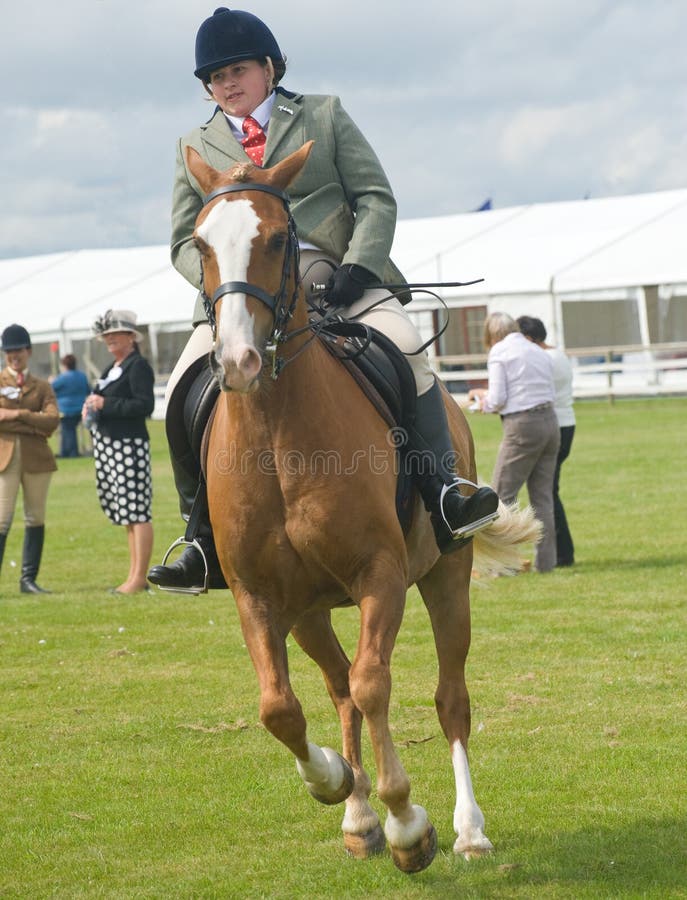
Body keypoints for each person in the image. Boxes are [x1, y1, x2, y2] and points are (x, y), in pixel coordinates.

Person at [147, 7, 498, 590]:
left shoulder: (323, 114)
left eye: (237, 70)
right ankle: (200, 536)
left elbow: (375, 197)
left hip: (339, 279)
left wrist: (359, 267)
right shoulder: (194, 146)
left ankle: (445, 493)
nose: (227, 85)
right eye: (215, 78)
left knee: (409, 348)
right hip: (246, 293)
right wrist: (222, 288)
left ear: (268, 67)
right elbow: (185, 240)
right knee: (182, 388)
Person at [468, 312, 559, 573]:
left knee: (499, 495)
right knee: (543, 498)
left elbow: (497, 398)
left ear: (492, 334)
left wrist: (482, 404)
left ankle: (502, 565)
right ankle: (546, 563)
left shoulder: (499, 352)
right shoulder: (538, 351)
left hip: (522, 425)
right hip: (550, 422)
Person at [83, 310, 155, 594]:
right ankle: (134, 574)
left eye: (115, 334)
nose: (109, 339)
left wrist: (105, 405)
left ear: (130, 337)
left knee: (137, 511)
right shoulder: (112, 367)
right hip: (110, 445)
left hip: (129, 445)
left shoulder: (138, 366)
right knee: (127, 513)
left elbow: (143, 405)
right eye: (107, 336)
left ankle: (139, 576)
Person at [0, 324, 59, 593]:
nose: (14, 356)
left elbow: (52, 421)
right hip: (5, 459)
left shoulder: (42, 386)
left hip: (37, 460)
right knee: (2, 518)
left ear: (29, 352)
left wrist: (15, 415)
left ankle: (28, 580)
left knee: (35, 517)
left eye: (19, 351)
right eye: (9, 351)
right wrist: (32, 423)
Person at [517, 316, 575, 567]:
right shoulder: (559, 355)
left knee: (545, 493)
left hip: (553, 424)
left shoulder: (543, 359)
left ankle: (560, 554)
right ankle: (562, 553)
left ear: (529, 339)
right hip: (566, 422)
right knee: (550, 491)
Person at [50, 354, 90, 458]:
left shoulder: (63, 378)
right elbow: (88, 390)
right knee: (67, 429)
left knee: (68, 429)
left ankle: (72, 453)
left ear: (64, 365)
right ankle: (64, 452)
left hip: (66, 410)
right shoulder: (82, 376)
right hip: (80, 409)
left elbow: (50, 389)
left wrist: (51, 381)